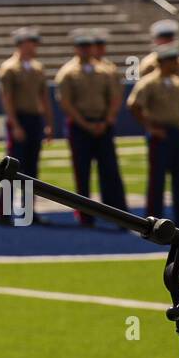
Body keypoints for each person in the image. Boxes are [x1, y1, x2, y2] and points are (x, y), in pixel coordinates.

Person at [55, 29, 128, 225]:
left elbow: (114, 97)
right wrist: (85, 124)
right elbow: (66, 103)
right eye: (82, 47)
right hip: (80, 126)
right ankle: (85, 214)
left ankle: (117, 212)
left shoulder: (104, 70)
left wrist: (107, 120)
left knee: (110, 170)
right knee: (82, 172)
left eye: (89, 47)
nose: (87, 50)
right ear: (76, 49)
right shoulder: (68, 72)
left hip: (102, 124)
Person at [127, 45, 179, 229]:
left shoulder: (177, 82)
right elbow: (134, 105)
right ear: (162, 62)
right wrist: (150, 126)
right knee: (157, 178)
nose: (176, 63)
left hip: (175, 131)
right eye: (172, 60)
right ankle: (153, 218)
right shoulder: (148, 82)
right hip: (160, 133)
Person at [0, 26, 51, 224]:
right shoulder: (9, 68)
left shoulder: (37, 68)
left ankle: (29, 211)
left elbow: (44, 97)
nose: (35, 46)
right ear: (22, 44)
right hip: (19, 119)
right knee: (11, 168)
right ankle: (3, 212)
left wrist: (48, 123)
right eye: (31, 42)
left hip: (34, 119)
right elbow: (7, 99)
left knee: (32, 169)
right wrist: (15, 124)